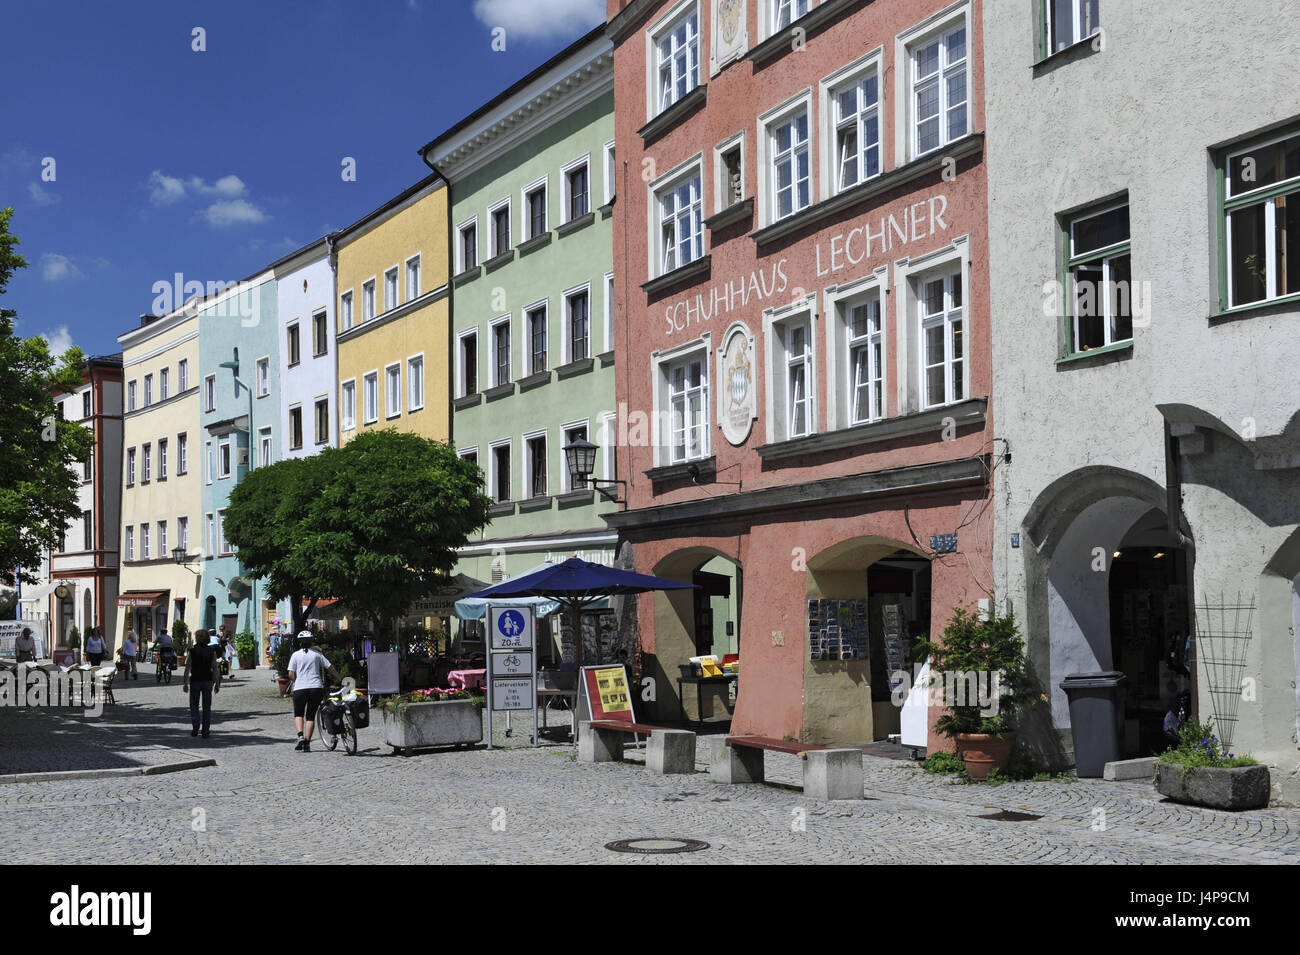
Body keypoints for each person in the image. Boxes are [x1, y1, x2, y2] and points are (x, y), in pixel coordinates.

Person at [287, 631, 339, 752]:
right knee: (310, 716)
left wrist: (296, 681)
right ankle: (307, 743)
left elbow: (290, 673)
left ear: (300, 642)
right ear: (311, 642)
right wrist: (338, 678)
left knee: (298, 714)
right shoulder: (317, 654)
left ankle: (300, 736)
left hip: (300, 688)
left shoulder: (295, 655)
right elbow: (330, 667)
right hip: (316, 688)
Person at [183, 628, 221, 738]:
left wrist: (185, 682)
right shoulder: (211, 651)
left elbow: (188, 667)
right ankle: (205, 731)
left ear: (197, 638)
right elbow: (215, 668)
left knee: (194, 704)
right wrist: (217, 683)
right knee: (207, 706)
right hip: (208, 680)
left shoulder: (192, 651)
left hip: (195, 680)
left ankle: (195, 724)